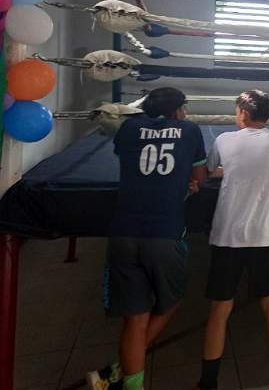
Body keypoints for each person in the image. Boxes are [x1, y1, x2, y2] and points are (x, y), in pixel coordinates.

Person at [195, 90, 269, 390]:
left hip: (228, 236)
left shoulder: (224, 140)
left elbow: (208, 172)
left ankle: (207, 384)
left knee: (219, 309)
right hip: (267, 236)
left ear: (243, 114)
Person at [87, 88, 207, 390]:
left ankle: (124, 378)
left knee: (134, 318)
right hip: (165, 232)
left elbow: (114, 121)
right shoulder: (190, 131)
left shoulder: (128, 129)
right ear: (180, 110)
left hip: (124, 231)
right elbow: (201, 178)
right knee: (171, 302)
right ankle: (117, 370)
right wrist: (189, 182)